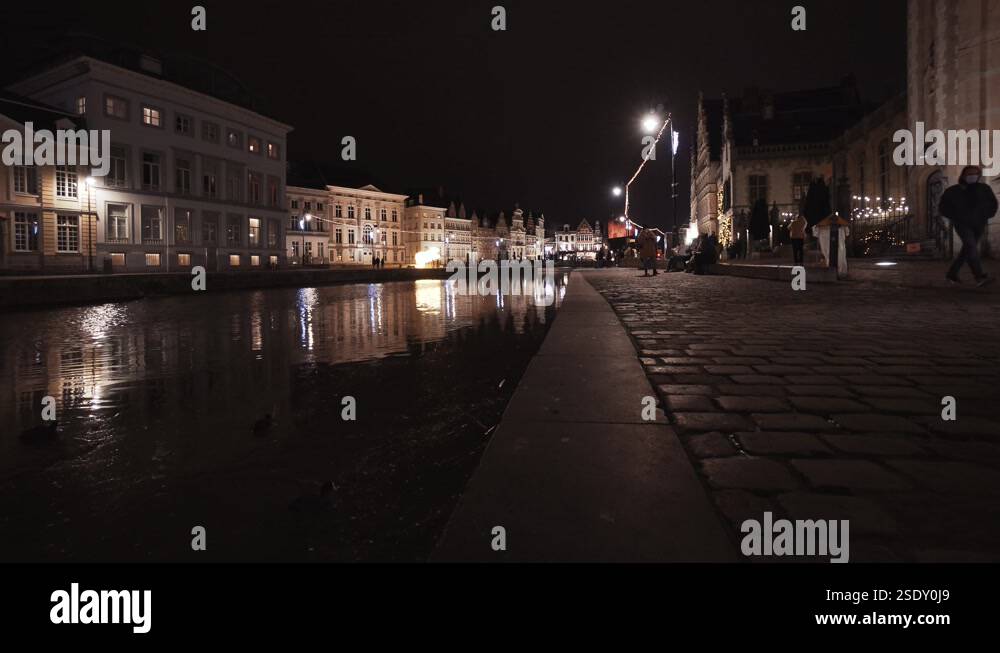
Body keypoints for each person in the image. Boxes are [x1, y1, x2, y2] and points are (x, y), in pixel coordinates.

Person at [939, 165, 998, 286]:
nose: (973, 176)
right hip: (962, 224)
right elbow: (943, 207)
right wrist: (956, 216)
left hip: (979, 223)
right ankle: (979, 276)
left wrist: (986, 215)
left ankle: (952, 274)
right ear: (964, 175)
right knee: (971, 247)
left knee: (966, 250)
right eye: (970, 174)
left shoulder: (984, 188)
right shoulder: (953, 191)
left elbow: (993, 203)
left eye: (975, 174)